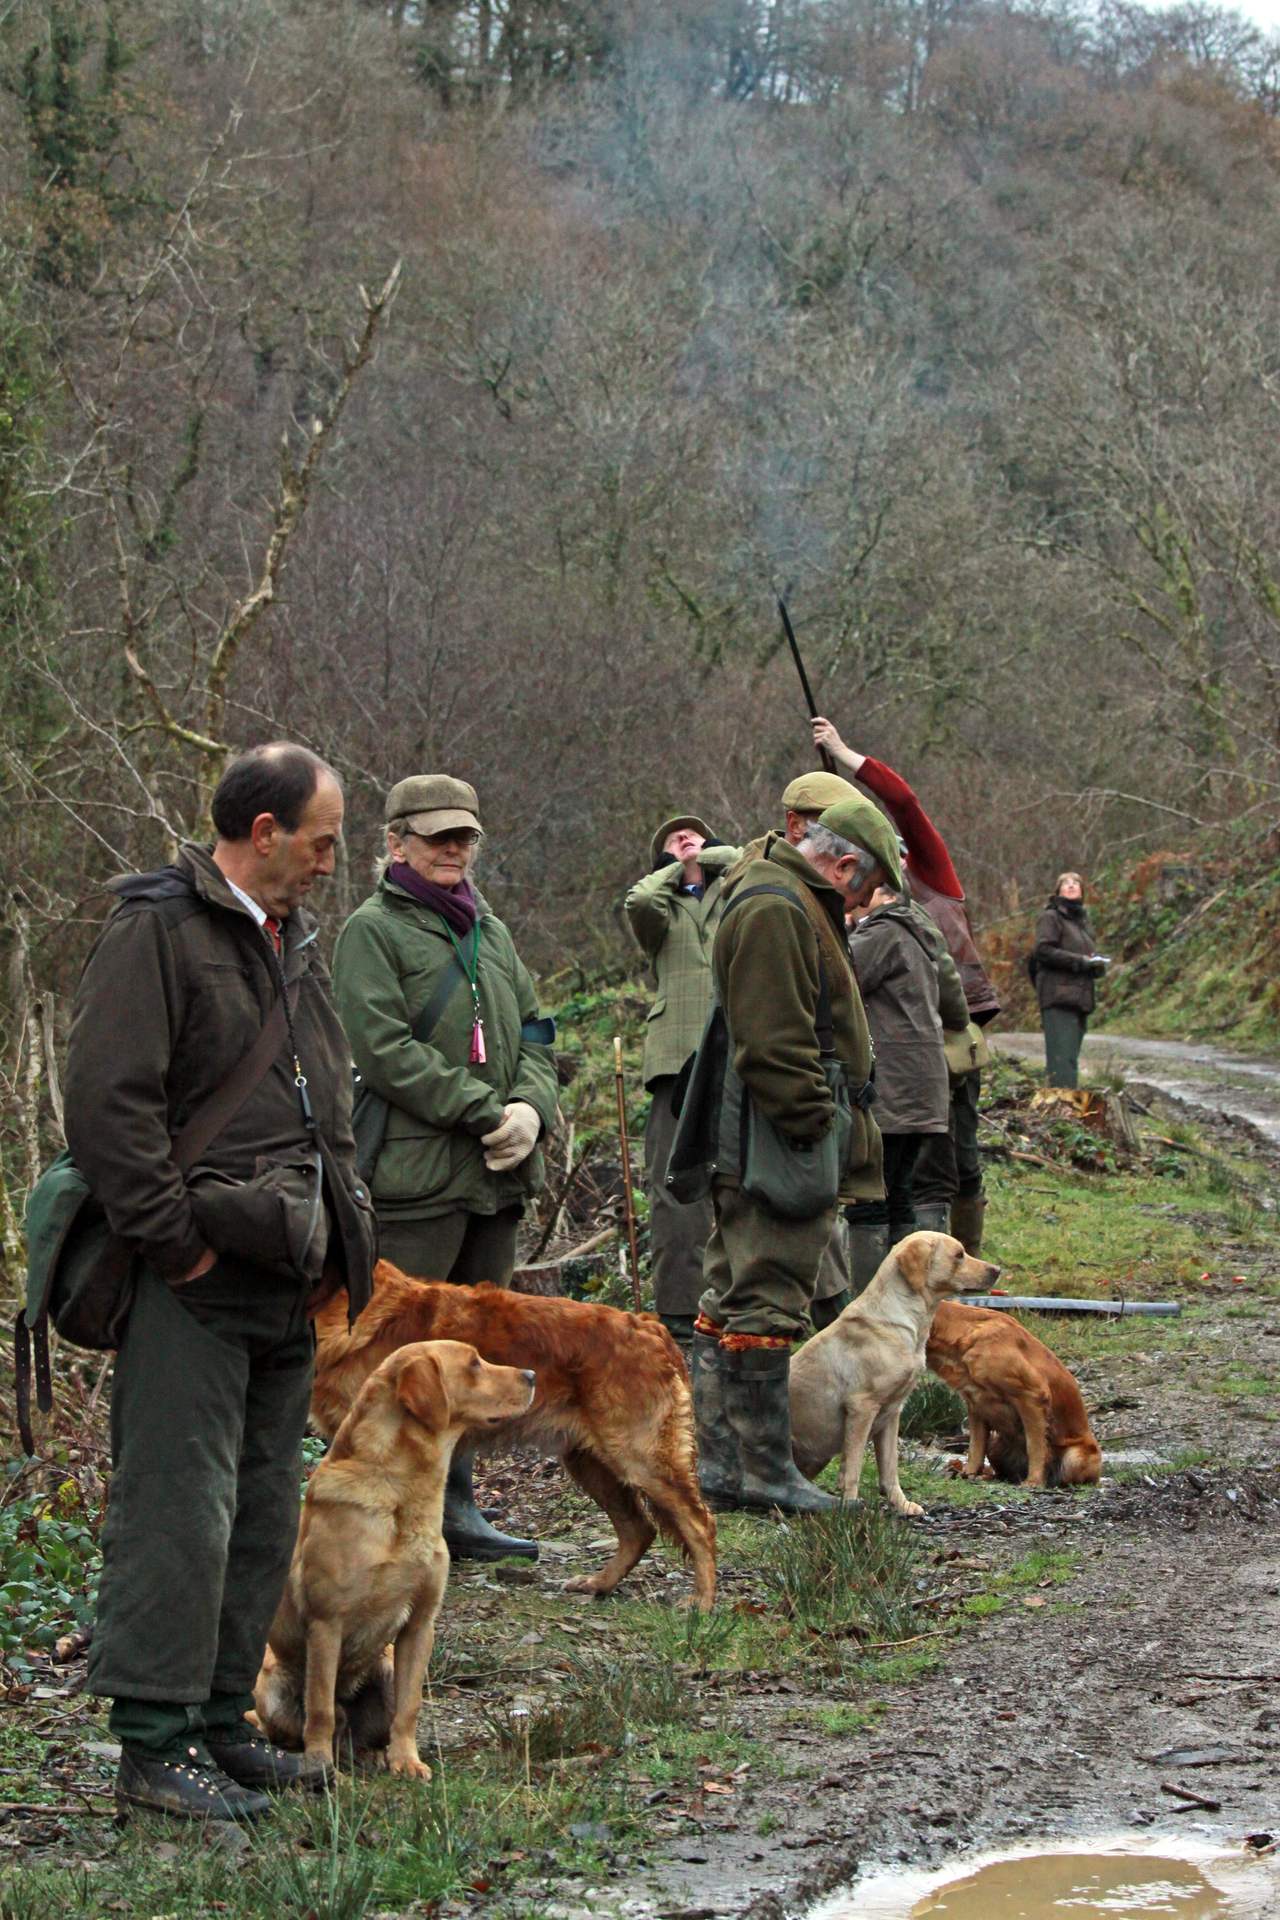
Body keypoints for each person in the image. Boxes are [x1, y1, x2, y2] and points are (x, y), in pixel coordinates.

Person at [64, 743, 377, 1823]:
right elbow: (109, 1111)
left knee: (257, 1508)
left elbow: (324, 1103)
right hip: (195, 1277)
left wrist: (342, 1241)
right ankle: (152, 1747)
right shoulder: (155, 929)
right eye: (323, 840)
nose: (333, 862)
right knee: (177, 1513)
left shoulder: (294, 941)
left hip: (286, 1278)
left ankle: (216, 1726)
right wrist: (177, 1248)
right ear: (263, 833)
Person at [331, 774, 559, 1562]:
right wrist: (481, 1109)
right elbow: (382, 1049)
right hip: (413, 1181)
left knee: (472, 1346)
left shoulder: (489, 930)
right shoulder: (370, 930)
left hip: (495, 1176)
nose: (454, 849)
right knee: (395, 1356)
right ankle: (378, 1518)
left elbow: (535, 1028)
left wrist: (532, 1110)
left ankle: (453, 1513)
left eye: (464, 836)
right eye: (436, 837)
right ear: (396, 843)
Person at [670, 795, 895, 1514]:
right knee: (764, 1299)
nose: (864, 903)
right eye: (868, 884)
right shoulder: (776, 905)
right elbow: (774, 1043)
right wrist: (817, 1125)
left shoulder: (777, 892)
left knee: (733, 1295)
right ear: (847, 863)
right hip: (775, 1141)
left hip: (766, 1135)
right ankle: (761, 1472)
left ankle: (725, 1470)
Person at [811, 719, 1001, 1254]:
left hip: (954, 1028)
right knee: (912, 1162)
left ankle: (962, 1264)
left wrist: (843, 754)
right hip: (898, 1036)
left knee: (957, 1156)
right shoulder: (858, 903)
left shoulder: (932, 877)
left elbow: (905, 802)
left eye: (895, 851)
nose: (890, 861)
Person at [624, 815, 742, 1363]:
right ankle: (677, 1318)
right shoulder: (658, 907)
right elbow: (638, 901)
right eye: (672, 837)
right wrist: (674, 868)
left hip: (738, 1053)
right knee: (674, 1196)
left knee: (743, 1182)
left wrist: (710, 858)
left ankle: (745, 1307)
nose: (685, 838)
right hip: (673, 1060)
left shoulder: (735, 889)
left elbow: (749, 863)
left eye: (695, 834)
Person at [845, 871, 953, 1289]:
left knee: (869, 1195)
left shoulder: (882, 934)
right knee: (899, 1191)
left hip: (892, 1084)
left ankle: (869, 1309)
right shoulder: (919, 930)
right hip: (919, 1083)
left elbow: (838, 979)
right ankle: (907, 1299)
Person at [1034, 872, 1107, 1087]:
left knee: (1070, 1059)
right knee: (1061, 1062)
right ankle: (1061, 1112)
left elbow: (1086, 958)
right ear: (1057, 891)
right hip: (1058, 997)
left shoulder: (1082, 922)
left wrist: (1095, 965)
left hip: (1080, 998)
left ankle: (1066, 1108)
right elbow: (1043, 950)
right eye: (1065, 883)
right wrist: (1081, 962)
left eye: (1076, 882)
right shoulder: (1051, 917)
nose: (1071, 885)